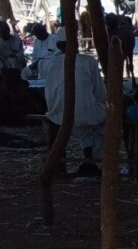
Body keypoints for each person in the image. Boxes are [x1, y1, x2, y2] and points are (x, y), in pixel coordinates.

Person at [43, 38, 108, 176]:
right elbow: (100, 91)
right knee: (107, 122)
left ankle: (87, 160)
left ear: (59, 46)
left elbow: (49, 91)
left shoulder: (51, 63)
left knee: (82, 128)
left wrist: (54, 108)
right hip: (85, 111)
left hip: (58, 113)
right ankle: (90, 159)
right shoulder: (88, 61)